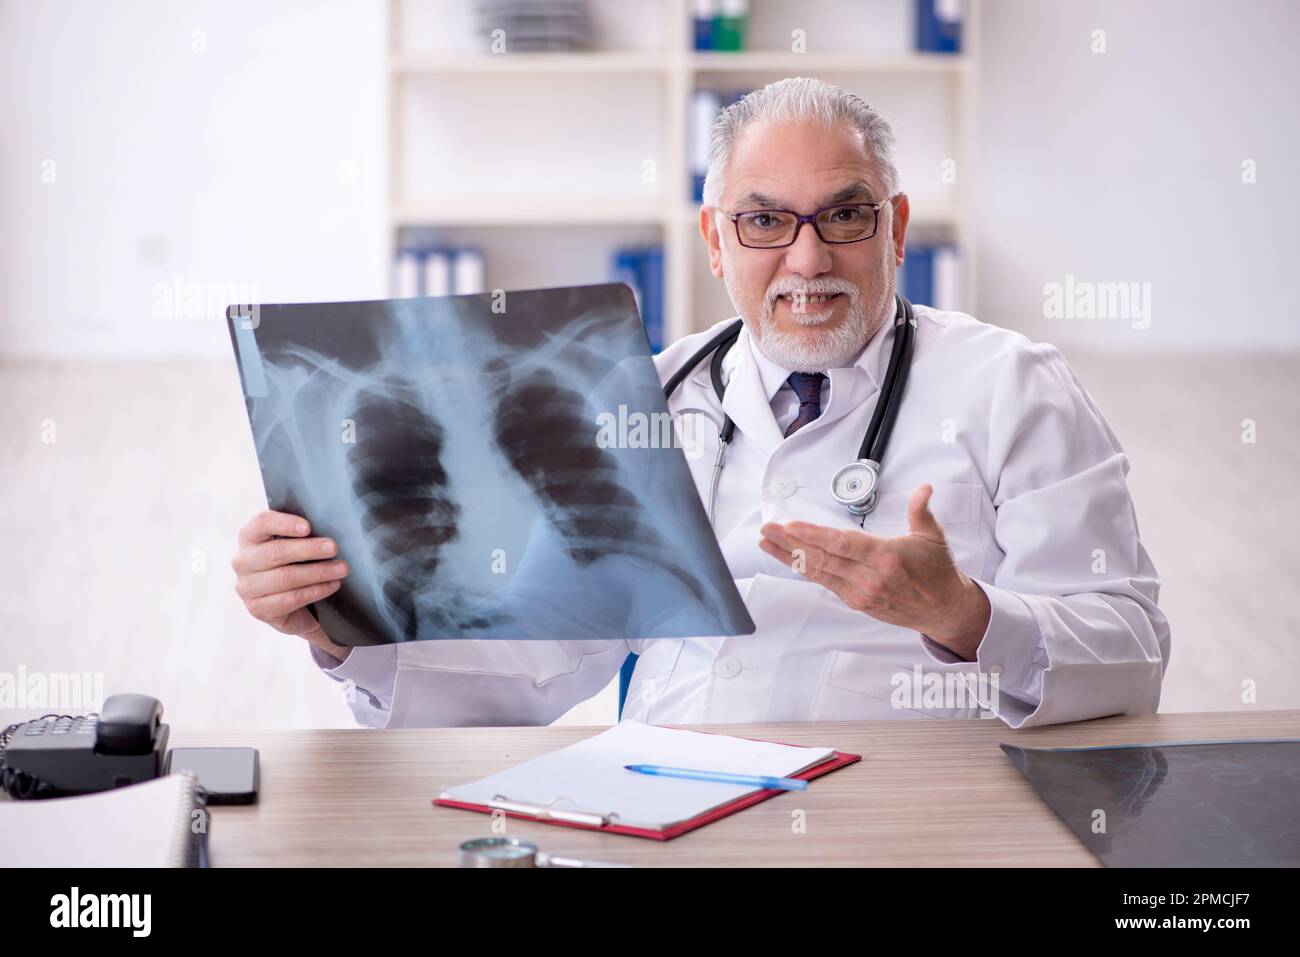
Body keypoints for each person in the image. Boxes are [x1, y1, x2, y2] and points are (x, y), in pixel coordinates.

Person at [231, 77, 1169, 730]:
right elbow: (536, 668)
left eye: (845, 215)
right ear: (715, 241)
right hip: (658, 810)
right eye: (764, 222)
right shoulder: (648, 394)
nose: (807, 261)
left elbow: (1131, 653)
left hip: (905, 813)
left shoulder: (1013, 387)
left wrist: (966, 615)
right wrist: (340, 631)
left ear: (899, 228)